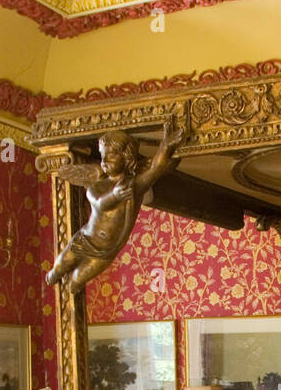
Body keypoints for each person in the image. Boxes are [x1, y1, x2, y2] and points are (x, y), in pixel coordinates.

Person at [46, 122, 183, 293]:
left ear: (126, 158)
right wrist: (115, 196)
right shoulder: (97, 185)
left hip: (105, 251)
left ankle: (70, 288)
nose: (104, 161)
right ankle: (53, 275)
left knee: (76, 281)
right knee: (60, 266)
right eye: (103, 156)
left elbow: (155, 169)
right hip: (84, 239)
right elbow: (99, 203)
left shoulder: (133, 186)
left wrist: (165, 145)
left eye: (111, 156)